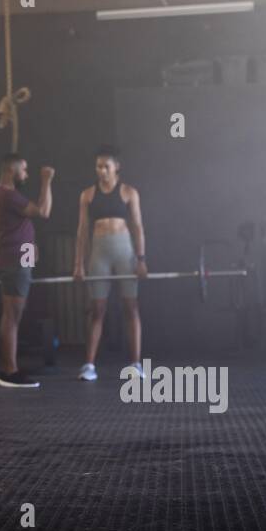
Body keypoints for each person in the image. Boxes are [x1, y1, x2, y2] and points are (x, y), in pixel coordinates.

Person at [73, 145, 147, 382]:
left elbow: (137, 227)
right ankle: (89, 365)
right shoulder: (87, 195)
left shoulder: (129, 192)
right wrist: (78, 265)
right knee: (97, 311)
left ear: (117, 167)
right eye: (98, 167)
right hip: (99, 252)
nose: (102, 171)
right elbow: (82, 232)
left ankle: (136, 364)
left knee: (131, 307)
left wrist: (141, 259)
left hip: (125, 251)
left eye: (106, 166)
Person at [0, 153, 53, 388]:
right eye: (24, 170)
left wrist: (29, 250)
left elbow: (3, 228)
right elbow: (44, 211)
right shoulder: (7, 195)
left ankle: (10, 368)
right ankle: (9, 372)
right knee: (12, 316)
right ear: (11, 170)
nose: (26, 174)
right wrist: (47, 180)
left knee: (12, 315)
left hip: (18, 258)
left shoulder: (0, 195)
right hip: (15, 262)